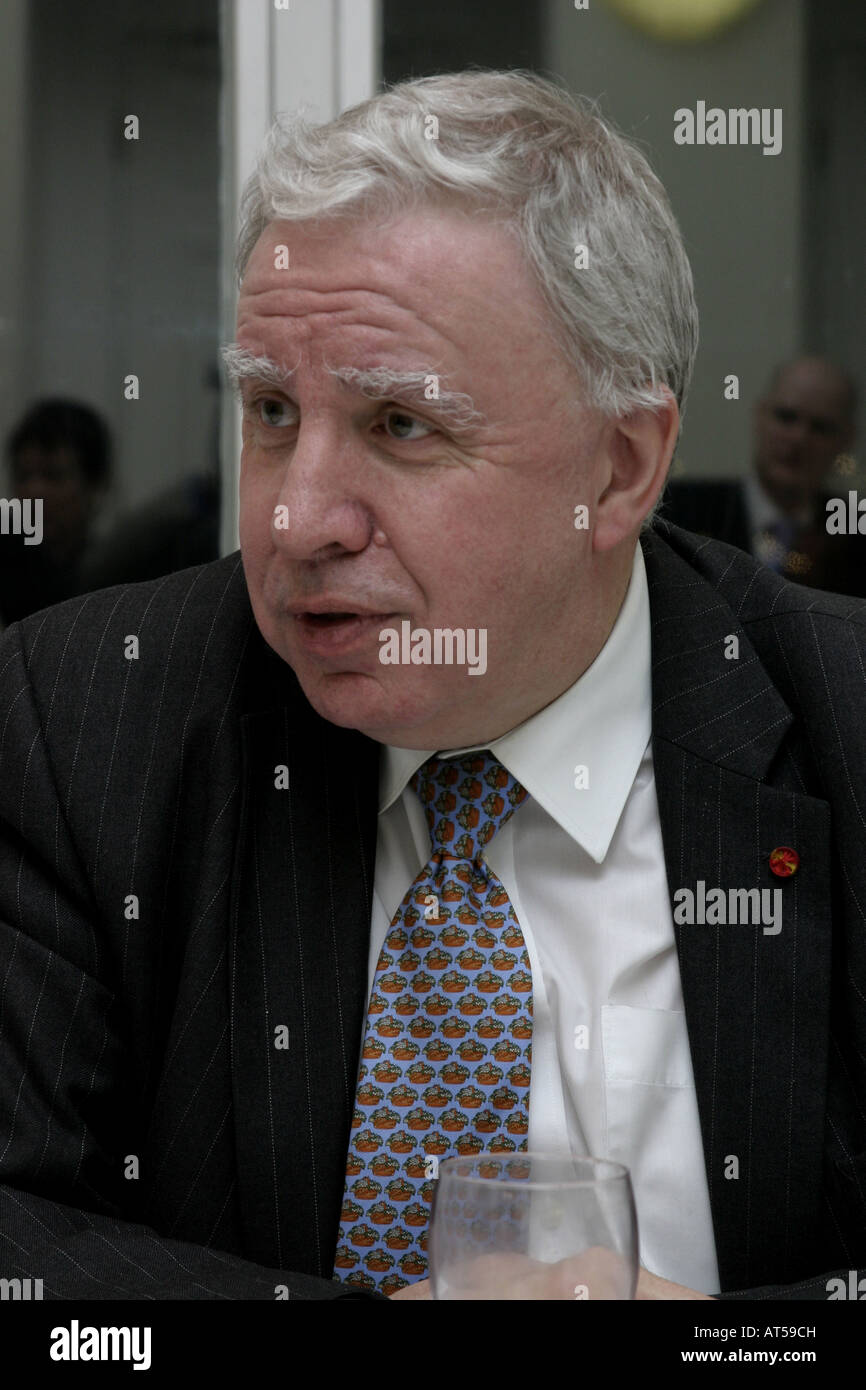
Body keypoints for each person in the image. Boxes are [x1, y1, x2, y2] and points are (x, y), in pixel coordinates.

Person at [0, 70, 864, 1302]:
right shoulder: (84, 718)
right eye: (270, 409)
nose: (296, 519)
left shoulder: (838, 717)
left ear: (619, 469)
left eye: (402, 425)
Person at [661, 356, 864, 593]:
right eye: (786, 417)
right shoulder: (676, 512)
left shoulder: (855, 537)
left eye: (820, 427)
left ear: (847, 439)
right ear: (760, 416)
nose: (799, 439)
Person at [0, 398, 112, 624]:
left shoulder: (112, 576)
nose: (33, 491)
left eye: (53, 475)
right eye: (23, 476)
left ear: (94, 486)